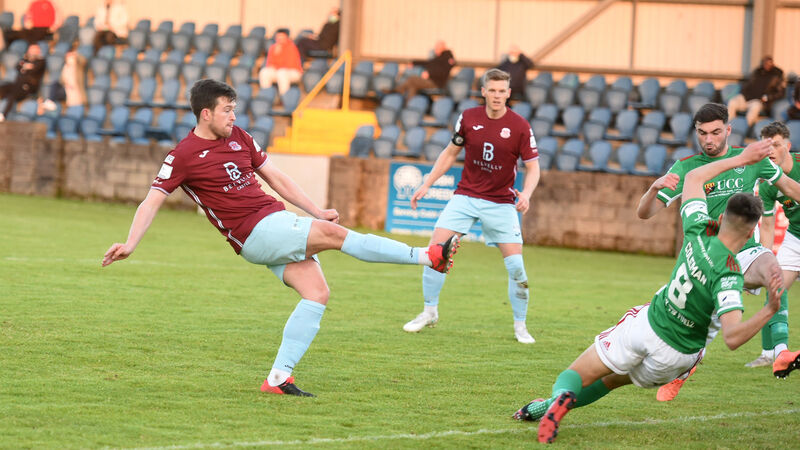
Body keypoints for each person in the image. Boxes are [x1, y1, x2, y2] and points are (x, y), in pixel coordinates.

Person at [102, 79, 461, 397]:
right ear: (206, 113)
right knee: (336, 235)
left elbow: (277, 178)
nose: (234, 116)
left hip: (274, 223)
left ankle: (278, 377)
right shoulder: (182, 155)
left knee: (317, 294)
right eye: (227, 110)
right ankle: (429, 257)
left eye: (235, 109)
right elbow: (152, 201)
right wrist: (130, 244)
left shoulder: (240, 137)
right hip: (253, 233)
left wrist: (315, 210)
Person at [513, 139, 794, 444]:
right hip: (676, 358)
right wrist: (769, 309)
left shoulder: (697, 229)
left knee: (577, 375)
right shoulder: (729, 273)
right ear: (751, 230)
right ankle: (543, 408)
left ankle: (556, 401)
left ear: (723, 218)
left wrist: (741, 157)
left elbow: (695, 178)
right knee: (609, 382)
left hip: (649, 325)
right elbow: (732, 338)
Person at [636, 103, 800, 401]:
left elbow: (790, 187)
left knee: (773, 272)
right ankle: (685, 369)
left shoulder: (749, 158)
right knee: (698, 327)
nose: (708, 140)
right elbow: (644, 214)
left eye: (714, 132)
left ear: (728, 129)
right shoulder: (686, 167)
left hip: (745, 250)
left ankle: (780, 352)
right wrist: (652, 189)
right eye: (702, 133)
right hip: (702, 257)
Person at [401, 68, 540, 343]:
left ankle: (520, 326)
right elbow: (450, 152)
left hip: (501, 204)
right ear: (484, 91)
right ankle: (429, 311)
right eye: (493, 90)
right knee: (435, 252)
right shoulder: (468, 118)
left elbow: (533, 168)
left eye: (503, 91)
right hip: (465, 197)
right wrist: (427, 183)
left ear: (508, 93)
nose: (498, 96)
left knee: (516, 269)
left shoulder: (521, 126)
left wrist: (526, 193)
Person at [756, 122, 800, 368]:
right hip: (795, 239)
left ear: (788, 146)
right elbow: (769, 225)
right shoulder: (767, 184)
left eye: (776, 145)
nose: (771, 150)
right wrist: (763, 258)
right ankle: (775, 352)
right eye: (766, 146)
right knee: (774, 288)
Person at [727, 56, 785, 126]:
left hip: (759, 100)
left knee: (755, 107)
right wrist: (743, 93)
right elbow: (748, 84)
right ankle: (730, 125)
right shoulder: (757, 72)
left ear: (773, 64)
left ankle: (745, 127)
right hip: (746, 97)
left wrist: (767, 98)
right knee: (732, 102)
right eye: (765, 63)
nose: (767, 65)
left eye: (769, 63)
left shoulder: (777, 75)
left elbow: (780, 93)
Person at [0, 44, 45, 121]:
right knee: (4, 88)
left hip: (28, 87)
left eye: (35, 50)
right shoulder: (24, 59)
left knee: (11, 94)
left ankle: (3, 115)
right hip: (16, 85)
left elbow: (33, 70)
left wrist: (24, 67)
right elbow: (17, 66)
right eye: (32, 49)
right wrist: (26, 67)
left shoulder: (41, 61)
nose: (33, 52)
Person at [258, 29, 302, 96]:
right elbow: (269, 64)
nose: (280, 39)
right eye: (278, 37)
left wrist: (277, 56)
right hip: (278, 70)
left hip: (293, 72)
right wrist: (275, 55)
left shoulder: (291, 47)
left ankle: (284, 97)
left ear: (286, 37)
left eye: (282, 37)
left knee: (282, 73)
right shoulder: (273, 47)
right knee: (264, 72)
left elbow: (289, 65)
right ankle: (266, 95)